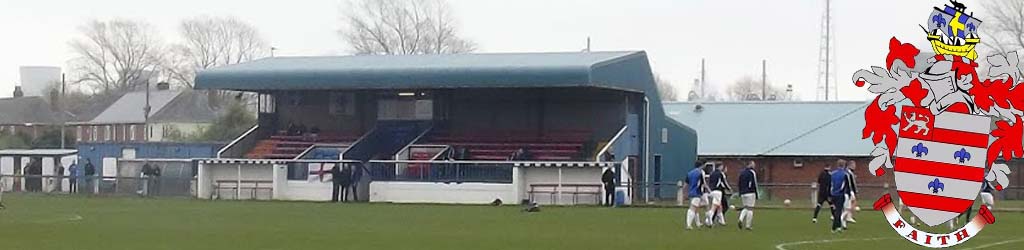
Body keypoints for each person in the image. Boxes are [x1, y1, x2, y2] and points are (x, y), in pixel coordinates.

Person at [706, 162, 732, 227]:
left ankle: (722, 221)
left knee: (719, 207)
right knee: (714, 207)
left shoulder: (712, 173)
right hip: (718, 191)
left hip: (712, 191)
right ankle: (708, 220)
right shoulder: (720, 174)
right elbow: (723, 182)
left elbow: (709, 182)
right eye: (722, 166)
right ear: (720, 166)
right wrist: (729, 188)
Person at [685, 162, 709, 230]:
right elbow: (703, 184)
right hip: (697, 193)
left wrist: (685, 193)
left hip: (691, 193)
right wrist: (709, 191)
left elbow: (686, 184)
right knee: (693, 208)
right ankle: (688, 225)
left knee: (694, 208)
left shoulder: (689, 173)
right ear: (701, 165)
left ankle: (696, 223)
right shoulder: (700, 173)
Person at [737, 161, 759, 230]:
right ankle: (748, 225)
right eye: (753, 164)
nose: (754, 165)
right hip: (750, 192)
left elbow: (739, 183)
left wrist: (740, 192)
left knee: (745, 207)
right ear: (749, 165)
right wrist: (757, 194)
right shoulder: (752, 172)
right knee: (750, 209)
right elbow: (754, 183)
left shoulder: (742, 173)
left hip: (743, 193)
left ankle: (740, 219)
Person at [830, 159, 850, 233]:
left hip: (833, 194)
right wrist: (848, 193)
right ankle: (834, 228)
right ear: (844, 165)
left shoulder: (832, 174)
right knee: (839, 211)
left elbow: (830, 185)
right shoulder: (845, 174)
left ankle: (838, 227)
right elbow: (846, 185)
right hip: (840, 194)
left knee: (835, 211)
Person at [844, 161, 860, 226]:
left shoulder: (847, 172)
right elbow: (852, 183)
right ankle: (847, 216)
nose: (855, 166)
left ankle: (848, 216)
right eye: (853, 165)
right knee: (853, 202)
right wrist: (855, 191)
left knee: (850, 203)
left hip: (848, 190)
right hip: (849, 191)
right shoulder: (849, 173)